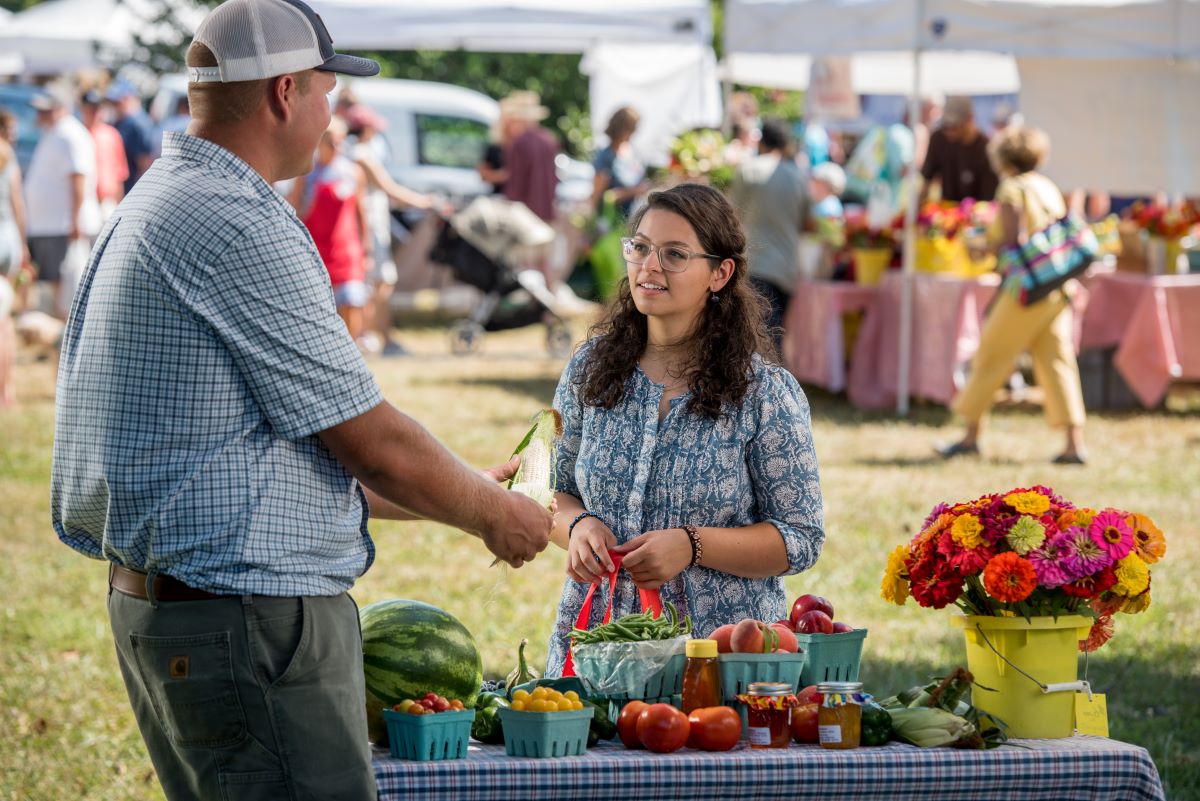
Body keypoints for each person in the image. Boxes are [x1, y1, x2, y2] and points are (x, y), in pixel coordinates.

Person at [50, 2, 552, 799]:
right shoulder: (241, 221)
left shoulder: (155, 199)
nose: (332, 116)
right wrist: (497, 514)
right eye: (327, 94)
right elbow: (371, 439)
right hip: (245, 624)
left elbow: (254, 452)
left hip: (173, 610)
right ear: (286, 91)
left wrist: (463, 488)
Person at [543, 183, 825, 677]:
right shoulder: (589, 368)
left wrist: (692, 545)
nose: (649, 267)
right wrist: (577, 526)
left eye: (674, 254)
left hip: (724, 659)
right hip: (596, 649)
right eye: (641, 248)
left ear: (720, 273)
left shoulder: (763, 392)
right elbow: (547, 489)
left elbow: (799, 538)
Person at [937, 126, 1088, 464]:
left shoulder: (1011, 188)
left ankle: (969, 436)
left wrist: (981, 247)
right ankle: (1073, 443)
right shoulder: (1046, 186)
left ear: (1003, 156)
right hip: (1056, 286)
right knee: (1058, 362)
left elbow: (1012, 238)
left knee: (990, 354)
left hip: (1025, 290)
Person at [344, 102, 436, 356]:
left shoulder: (349, 152)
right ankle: (380, 338)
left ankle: (367, 335)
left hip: (366, 225)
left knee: (372, 284)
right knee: (381, 282)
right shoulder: (361, 155)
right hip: (370, 227)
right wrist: (425, 202)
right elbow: (391, 189)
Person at [729, 119, 810, 349]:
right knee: (773, 333)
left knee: (760, 338)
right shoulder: (799, 177)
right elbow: (808, 223)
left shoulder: (749, 169)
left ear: (762, 142)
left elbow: (732, 216)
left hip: (756, 262)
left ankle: (771, 383)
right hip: (786, 266)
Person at [289, 117, 371, 342]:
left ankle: (353, 350)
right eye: (334, 142)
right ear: (321, 143)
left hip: (346, 247)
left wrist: (367, 248)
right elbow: (295, 208)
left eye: (341, 142)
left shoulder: (353, 172)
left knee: (352, 301)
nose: (339, 147)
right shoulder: (307, 173)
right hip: (317, 246)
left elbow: (361, 212)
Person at [25, 84, 101, 319]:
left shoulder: (70, 134)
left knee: (67, 294)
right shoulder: (56, 133)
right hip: (53, 225)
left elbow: (79, 178)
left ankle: (63, 345)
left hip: (63, 226)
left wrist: (75, 219)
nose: (40, 115)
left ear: (60, 109)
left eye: (46, 110)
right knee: (57, 291)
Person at [0, 108, 29, 406]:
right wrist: (23, 244)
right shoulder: (9, 157)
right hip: (8, 237)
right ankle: (6, 390)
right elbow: (18, 202)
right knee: (3, 319)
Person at [920, 95, 999, 203]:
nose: (949, 131)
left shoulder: (986, 148)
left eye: (954, 126)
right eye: (946, 126)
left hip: (976, 213)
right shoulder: (938, 138)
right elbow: (926, 180)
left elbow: (989, 199)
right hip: (946, 213)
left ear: (969, 119)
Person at [499, 90, 558, 223]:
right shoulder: (549, 138)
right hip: (547, 210)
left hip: (524, 215)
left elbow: (516, 182)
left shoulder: (520, 142)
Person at [590, 106, 648, 219]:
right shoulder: (606, 157)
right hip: (615, 220)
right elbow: (603, 195)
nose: (635, 132)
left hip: (635, 215)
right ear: (623, 129)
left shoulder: (633, 152)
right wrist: (635, 191)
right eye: (632, 128)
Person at [79, 89, 129, 221]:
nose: (94, 113)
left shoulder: (111, 135)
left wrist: (120, 206)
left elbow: (119, 174)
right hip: (85, 202)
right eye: (90, 109)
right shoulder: (78, 134)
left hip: (107, 201)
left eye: (97, 109)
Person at [107, 80, 155, 194]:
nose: (114, 106)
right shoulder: (120, 121)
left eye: (117, 102)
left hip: (132, 190)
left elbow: (144, 161)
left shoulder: (136, 124)